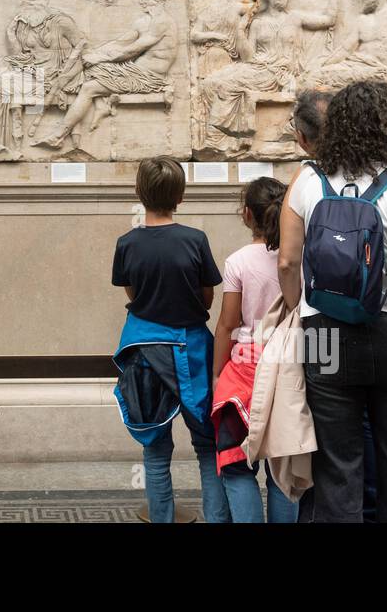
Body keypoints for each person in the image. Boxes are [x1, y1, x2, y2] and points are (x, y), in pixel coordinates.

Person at [277, 81, 387, 522]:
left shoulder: (307, 179)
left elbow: (287, 263)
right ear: (386, 128)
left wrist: (300, 313)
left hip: (324, 337)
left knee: (336, 466)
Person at [111, 157, 231, 523]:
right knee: (208, 447)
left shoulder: (127, 243)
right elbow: (207, 296)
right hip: (192, 349)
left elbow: (131, 293)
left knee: (156, 448)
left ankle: (161, 517)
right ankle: (217, 518)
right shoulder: (195, 239)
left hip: (144, 350)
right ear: (180, 196)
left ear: (137, 192)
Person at [210, 176, 299, 522]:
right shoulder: (299, 258)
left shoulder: (238, 262)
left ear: (247, 214)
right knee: (283, 471)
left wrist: (218, 374)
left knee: (235, 466)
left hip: (243, 374)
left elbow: (227, 324)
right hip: (287, 371)